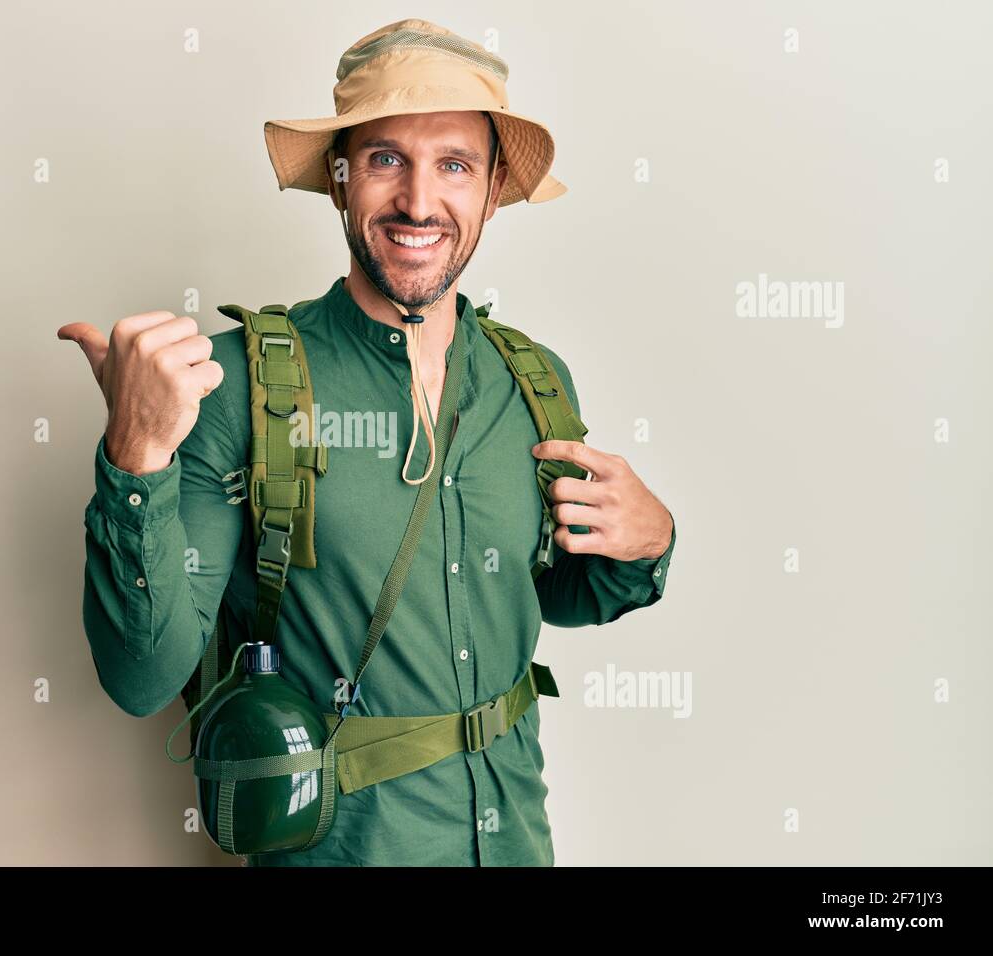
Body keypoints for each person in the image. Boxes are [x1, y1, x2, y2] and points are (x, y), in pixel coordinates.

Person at [58, 18, 676, 866]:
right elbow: (141, 679)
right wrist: (135, 459)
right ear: (341, 180)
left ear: (493, 189)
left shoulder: (534, 382)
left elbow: (557, 594)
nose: (420, 202)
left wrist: (649, 544)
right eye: (386, 158)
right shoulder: (237, 387)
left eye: (454, 164)